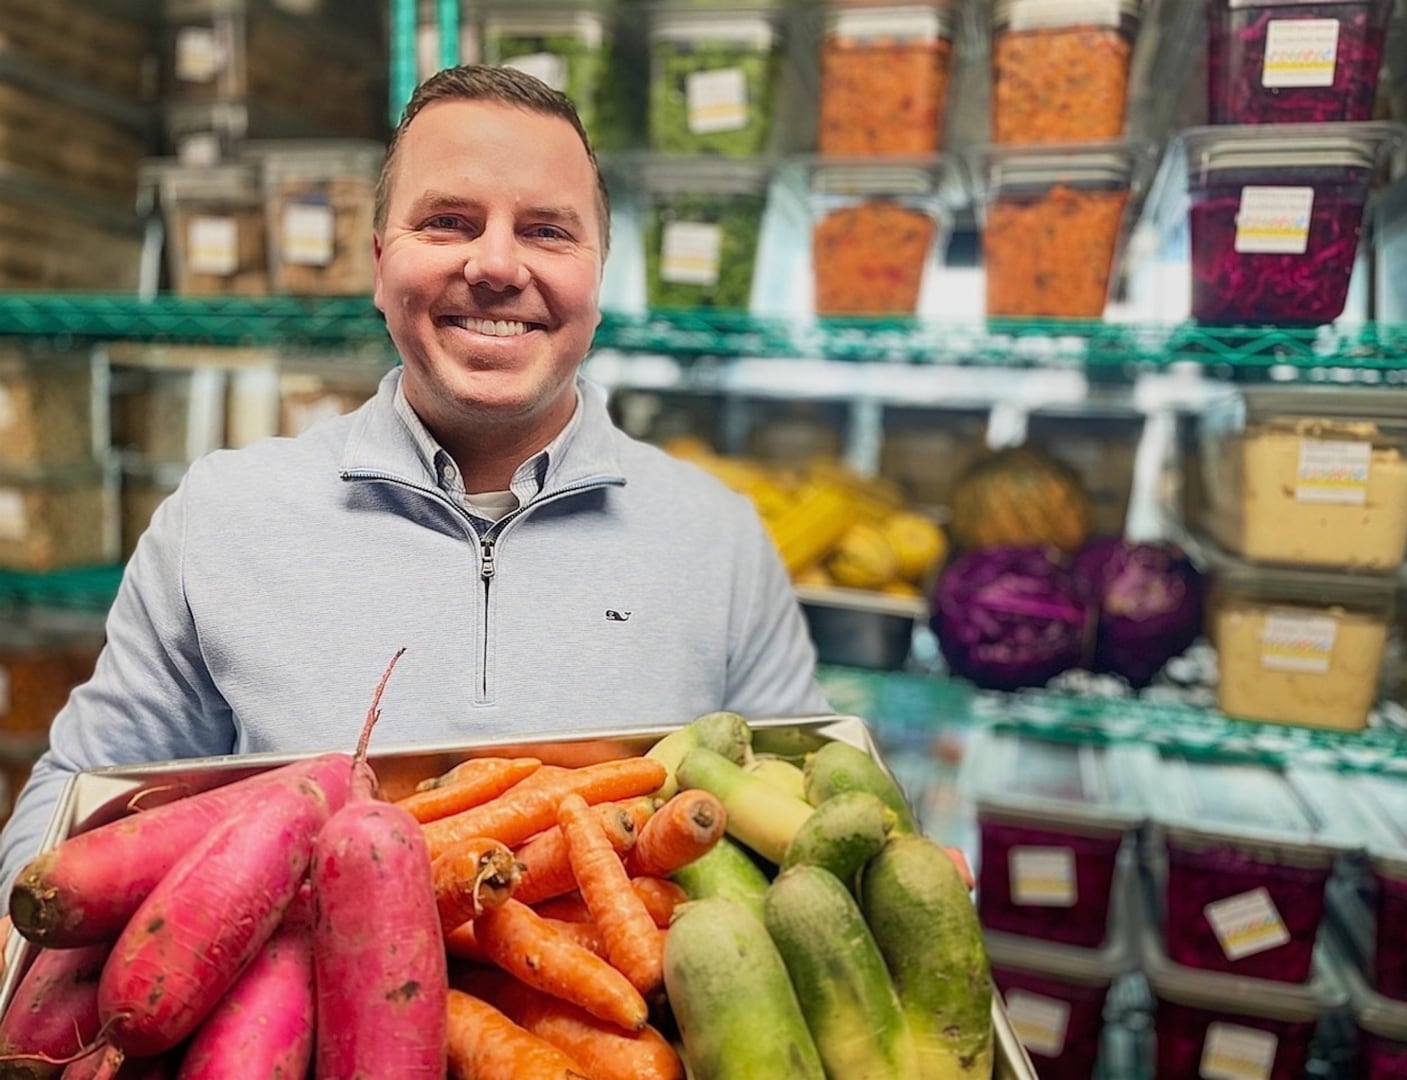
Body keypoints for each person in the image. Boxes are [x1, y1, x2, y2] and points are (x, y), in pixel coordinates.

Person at [0, 64, 829, 897]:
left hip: (633, 1018)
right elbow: (78, 802)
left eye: (547, 231)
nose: (497, 264)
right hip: (298, 1020)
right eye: (447, 222)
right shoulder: (221, 518)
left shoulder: (715, 539)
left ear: (598, 275)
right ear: (377, 265)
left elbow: (802, 809)